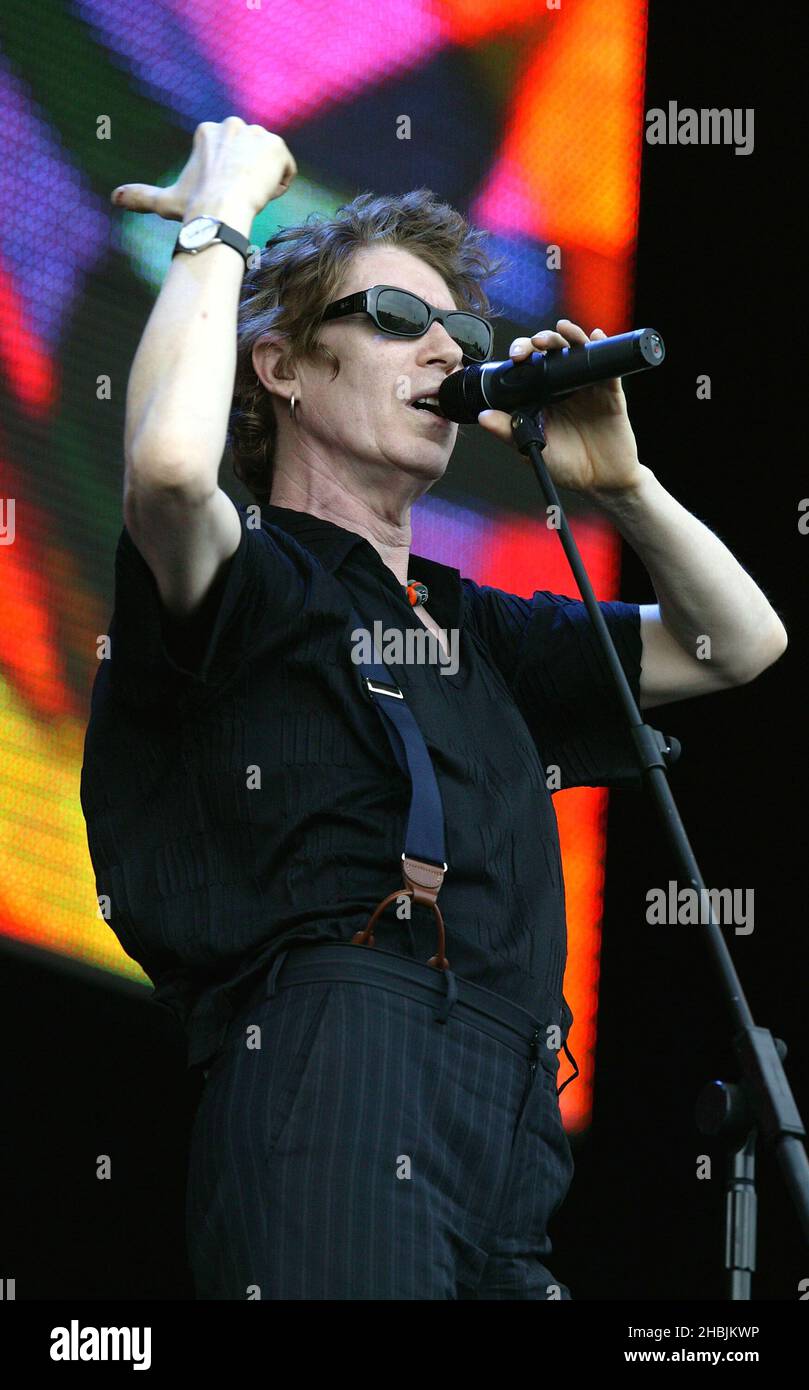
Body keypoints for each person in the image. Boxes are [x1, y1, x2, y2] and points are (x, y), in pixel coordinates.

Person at [81, 118, 787, 1301]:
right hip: (335, 1073)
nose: (441, 354)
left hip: (508, 1116)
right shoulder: (247, 572)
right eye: (396, 321)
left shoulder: (484, 627)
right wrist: (223, 216)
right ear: (284, 369)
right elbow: (164, 471)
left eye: (457, 332)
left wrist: (623, 489)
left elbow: (739, 645)